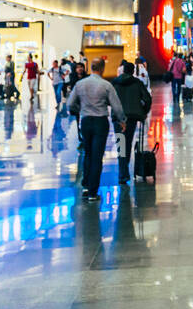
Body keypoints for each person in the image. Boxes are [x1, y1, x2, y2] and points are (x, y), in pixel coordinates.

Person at [66, 57, 126, 201]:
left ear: (91, 68)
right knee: (97, 156)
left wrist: (79, 109)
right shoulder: (106, 85)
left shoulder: (80, 84)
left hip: (86, 121)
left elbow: (70, 104)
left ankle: (86, 185)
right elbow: (116, 106)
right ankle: (93, 191)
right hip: (100, 122)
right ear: (102, 68)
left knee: (87, 154)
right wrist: (122, 120)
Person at [110, 60, 153, 184]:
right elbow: (147, 98)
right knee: (127, 143)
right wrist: (144, 111)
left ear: (123, 71)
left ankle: (123, 174)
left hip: (118, 118)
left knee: (120, 145)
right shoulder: (137, 83)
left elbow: (109, 98)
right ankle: (124, 172)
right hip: (132, 117)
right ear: (133, 71)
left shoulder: (114, 83)